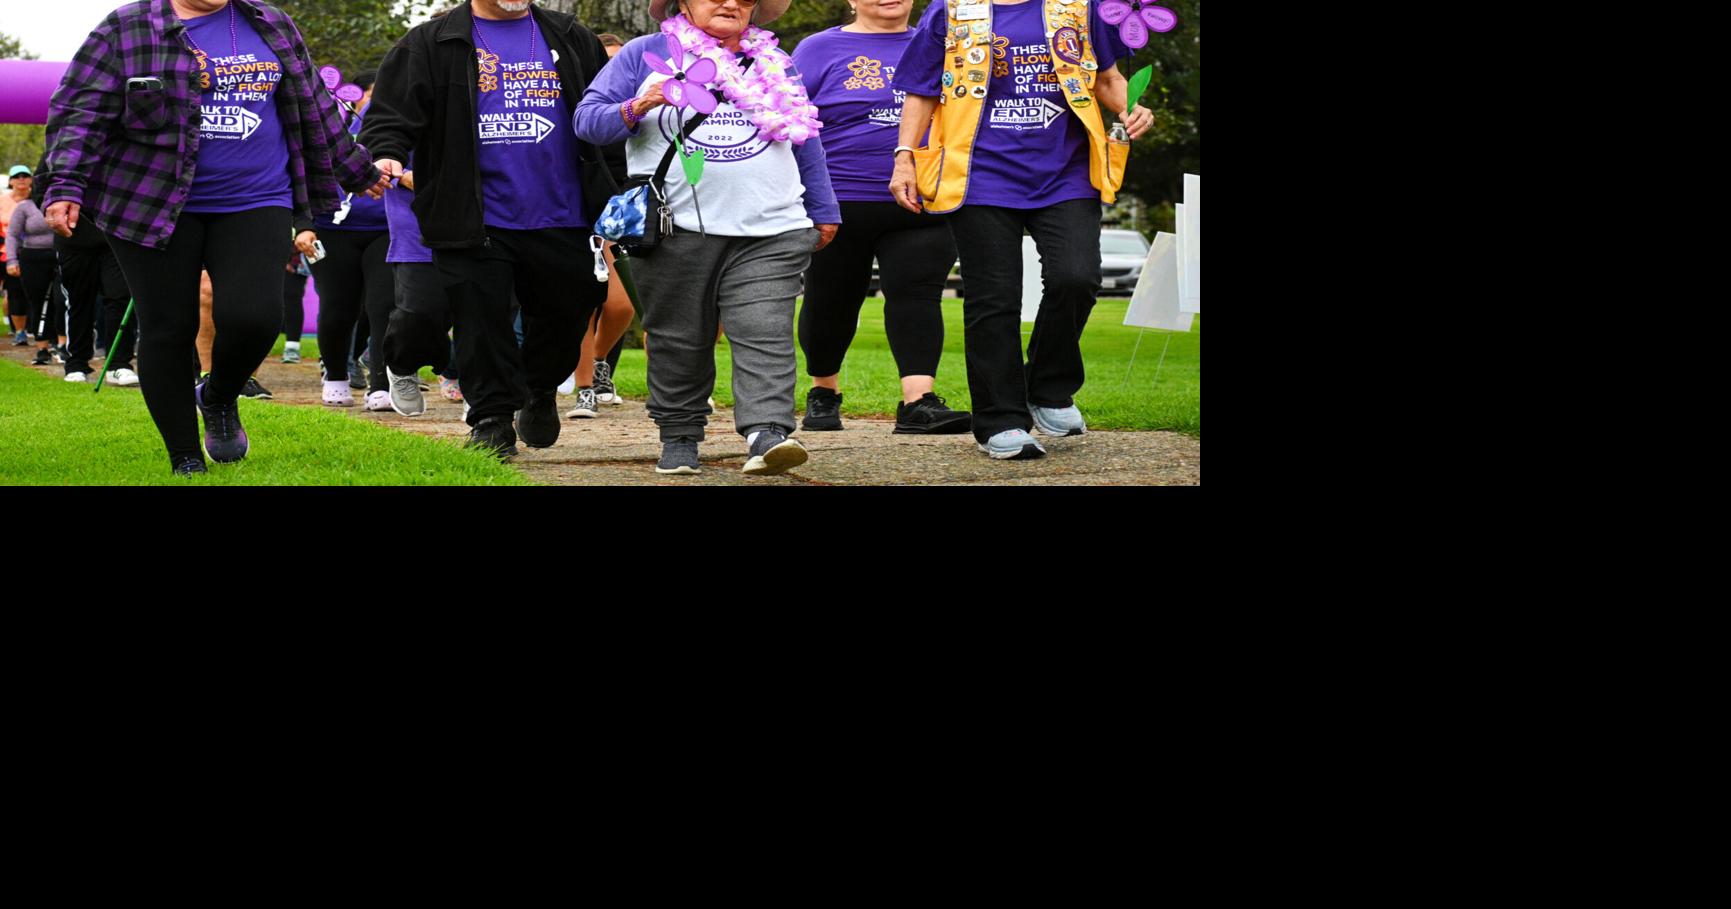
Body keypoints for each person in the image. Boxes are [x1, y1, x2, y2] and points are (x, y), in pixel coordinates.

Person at [40, 0, 387, 475]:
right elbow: (79, 110)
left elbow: (314, 101)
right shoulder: (127, 27)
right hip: (150, 200)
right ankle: (184, 457)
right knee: (168, 328)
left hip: (257, 197)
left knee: (256, 317)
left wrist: (355, 166)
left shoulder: (268, 22)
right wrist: (65, 183)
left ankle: (219, 395)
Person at [575, 0, 840, 476]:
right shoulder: (643, 54)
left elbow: (806, 137)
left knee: (766, 331)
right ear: (682, 4)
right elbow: (588, 122)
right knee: (680, 340)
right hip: (676, 229)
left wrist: (822, 207)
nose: (731, 2)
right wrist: (641, 102)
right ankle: (679, 435)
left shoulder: (776, 61)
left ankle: (767, 432)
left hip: (772, 227)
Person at [890, 0, 1151, 459]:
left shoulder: (1078, 8)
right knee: (996, 298)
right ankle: (1000, 420)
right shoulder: (950, 10)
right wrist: (905, 156)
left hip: (1067, 171)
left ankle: (1048, 388)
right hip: (978, 172)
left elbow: (1107, 79)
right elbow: (921, 89)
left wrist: (1132, 108)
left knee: (1078, 277)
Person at [363, 0, 615, 457]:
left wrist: (616, 190)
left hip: (564, 212)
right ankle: (492, 419)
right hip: (472, 214)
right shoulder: (430, 42)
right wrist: (386, 152)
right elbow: (391, 113)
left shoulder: (572, 36)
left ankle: (538, 388)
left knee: (569, 312)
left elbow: (604, 115)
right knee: (481, 321)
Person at [791, 0, 971, 435]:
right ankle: (823, 392)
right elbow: (790, 123)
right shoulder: (816, 49)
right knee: (830, 298)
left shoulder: (950, 44)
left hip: (923, 201)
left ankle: (918, 402)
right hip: (839, 201)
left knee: (918, 296)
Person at [301, 70, 394, 409]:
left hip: (385, 228)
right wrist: (303, 224)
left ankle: (381, 385)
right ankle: (337, 376)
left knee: (384, 306)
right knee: (339, 307)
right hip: (331, 227)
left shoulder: (401, 121)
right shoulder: (328, 122)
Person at [5, 171, 68, 371]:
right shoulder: (25, 207)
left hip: (60, 256)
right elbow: (13, 235)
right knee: (38, 301)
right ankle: (42, 347)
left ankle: (62, 344)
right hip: (32, 258)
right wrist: (12, 260)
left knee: (60, 300)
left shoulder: (61, 205)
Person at [2, 165, 32, 345]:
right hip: (6, 251)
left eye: (25, 175)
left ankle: (34, 328)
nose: (21, 179)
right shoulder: (3, 201)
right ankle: (18, 330)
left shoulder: (36, 200)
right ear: (11, 180)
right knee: (13, 291)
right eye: (17, 176)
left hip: (32, 250)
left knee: (30, 291)